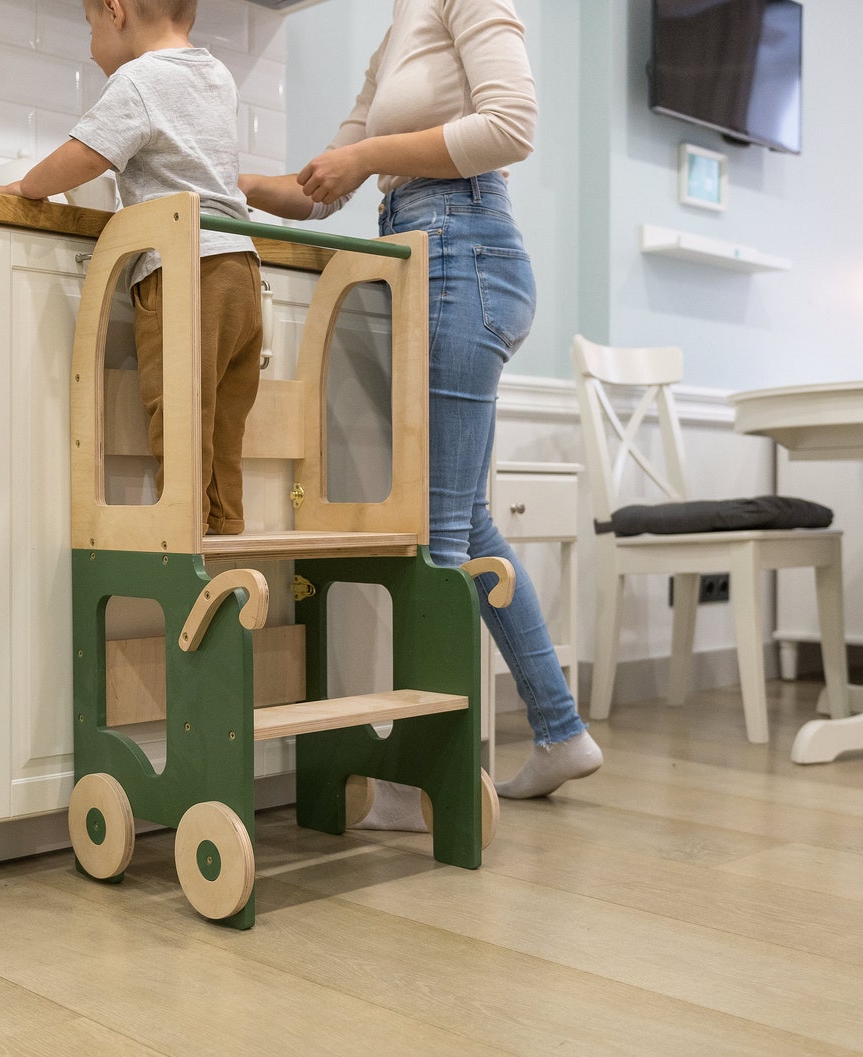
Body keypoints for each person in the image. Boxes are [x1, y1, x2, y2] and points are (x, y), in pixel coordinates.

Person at [242, 0, 600, 799]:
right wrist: (227, 185)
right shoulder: (400, 29)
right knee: (464, 523)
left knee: (436, 537)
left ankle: (422, 786)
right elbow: (321, 186)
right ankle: (560, 730)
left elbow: (511, 127)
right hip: (436, 252)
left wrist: (367, 156)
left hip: (459, 252)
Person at [0, 0, 262, 535]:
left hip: (185, 268)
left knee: (180, 409)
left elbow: (88, 153)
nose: (91, 43)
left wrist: (25, 187)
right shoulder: (217, 75)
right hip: (242, 265)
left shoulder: (139, 79)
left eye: (90, 25)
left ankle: (179, 534)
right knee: (224, 413)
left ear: (115, 11)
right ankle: (222, 523)